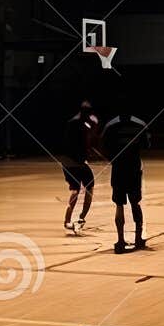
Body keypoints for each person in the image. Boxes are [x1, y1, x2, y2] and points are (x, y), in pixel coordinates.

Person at [101, 100, 151, 253]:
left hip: (118, 168)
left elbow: (103, 145)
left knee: (119, 204)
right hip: (134, 168)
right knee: (135, 203)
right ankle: (138, 237)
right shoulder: (140, 124)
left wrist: (112, 158)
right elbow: (147, 145)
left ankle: (120, 240)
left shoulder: (110, 125)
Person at [61, 99, 100, 233]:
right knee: (82, 189)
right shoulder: (81, 124)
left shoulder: (77, 122)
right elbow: (89, 141)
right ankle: (75, 218)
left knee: (80, 189)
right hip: (75, 163)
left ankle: (73, 219)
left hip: (72, 162)